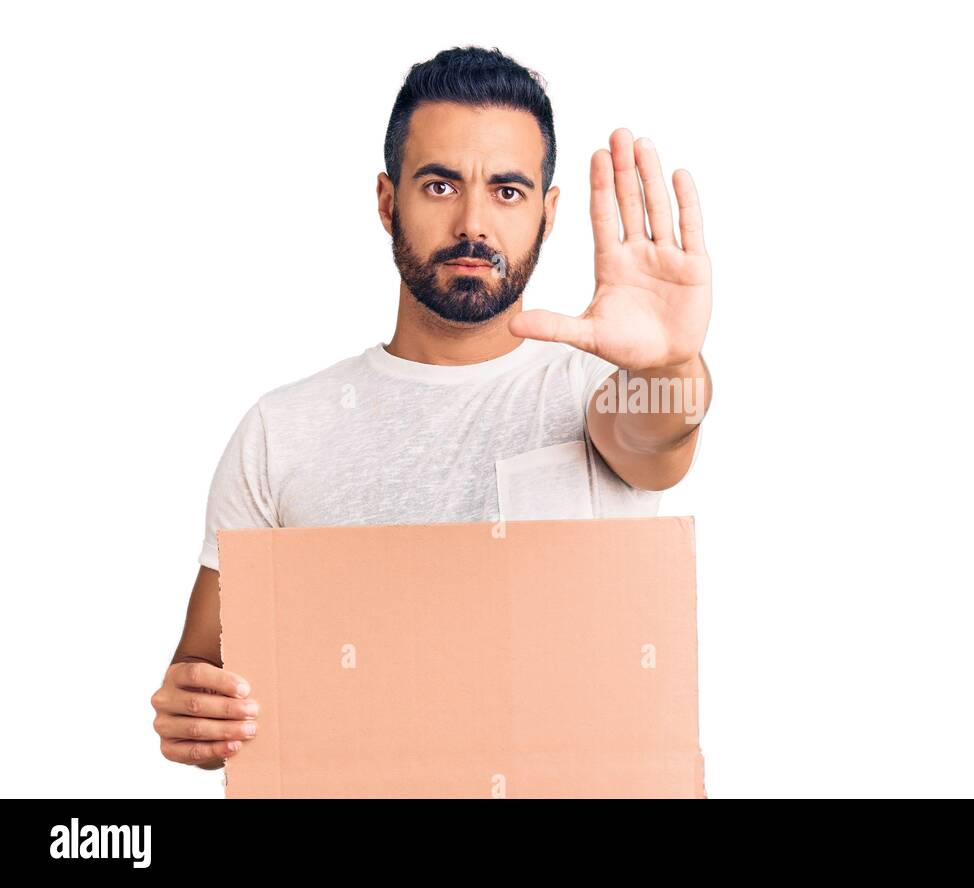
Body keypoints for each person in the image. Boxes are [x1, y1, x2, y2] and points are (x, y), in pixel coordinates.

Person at [151, 46, 713, 770]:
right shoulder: (280, 432)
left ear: (548, 212)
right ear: (388, 201)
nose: (473, 223)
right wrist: (195, 717)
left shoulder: (595, 392)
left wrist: (670, 359)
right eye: (441, 185)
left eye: (508, 191)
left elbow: (656, 433)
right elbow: (208, 676)